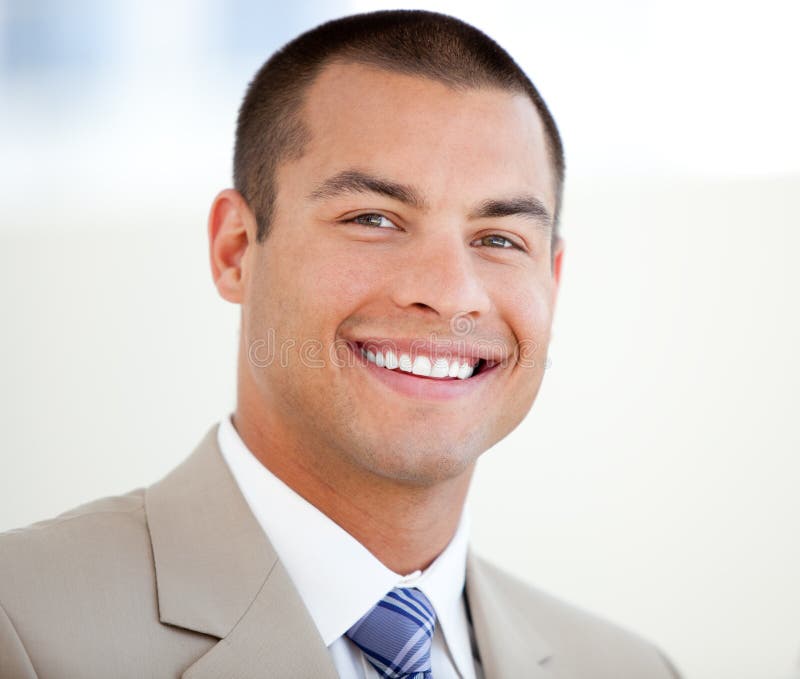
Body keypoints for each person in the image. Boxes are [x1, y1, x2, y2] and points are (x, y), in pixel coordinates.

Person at [0, 10, 680, 679]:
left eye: (500, 238)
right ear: (235, 249)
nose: (449, 291)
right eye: (374, 218)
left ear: (552, 283)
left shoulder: (631, 667)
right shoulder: (24, 626)